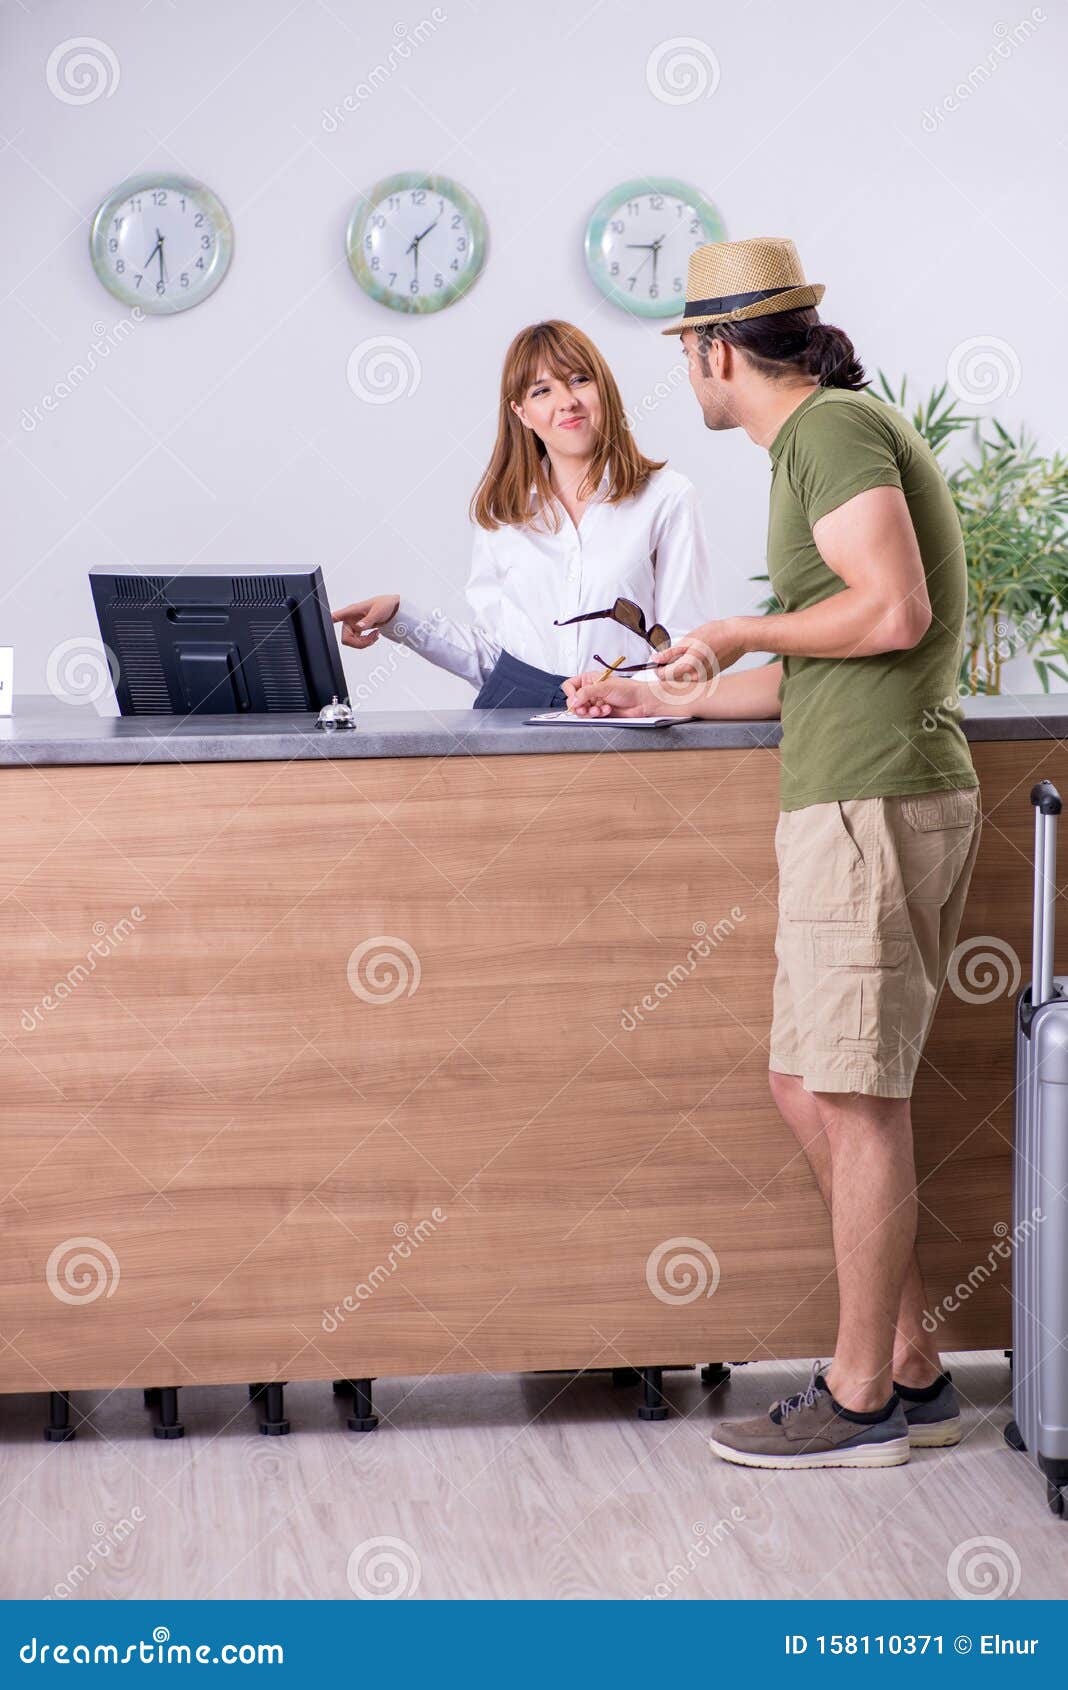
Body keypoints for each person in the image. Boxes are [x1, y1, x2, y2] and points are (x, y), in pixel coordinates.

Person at [565, 236, 982, 1470]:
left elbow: (892, 609)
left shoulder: (826, 434)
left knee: (854, 1097)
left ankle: (861, 1405)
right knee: (813, 1087)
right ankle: (911, 1368)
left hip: (873, 801)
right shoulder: (821, 436)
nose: (684, 377)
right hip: (846, 793)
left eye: (685, 352)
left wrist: (736, 619)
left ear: (718, 349)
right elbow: (828, 658)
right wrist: (675, 695)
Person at [332, 319, 712, 710]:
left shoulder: (667, 498)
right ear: (522, 413)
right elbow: (493, 662)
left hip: (629, 719)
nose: (567, 401)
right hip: (516, 720)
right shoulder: (505, 516)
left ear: (605, 389)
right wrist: (399, 616)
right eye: (542, 390)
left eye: (580, 380)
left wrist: (633, 697)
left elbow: (682, 647)